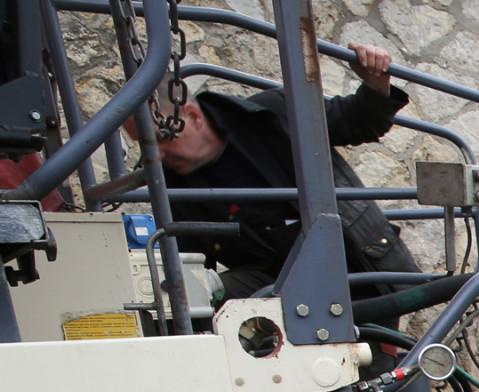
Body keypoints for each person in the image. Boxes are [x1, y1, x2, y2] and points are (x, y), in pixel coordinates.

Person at [123, 44, 416, 299]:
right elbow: (191, 263)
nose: (155, 155)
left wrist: (377, 84)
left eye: (160, 139)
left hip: (352, 262)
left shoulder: (272, 113)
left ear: (193, 116)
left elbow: (357, 122)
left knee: (372, 355)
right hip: (273, 280)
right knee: (194, 295)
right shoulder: (173, 183)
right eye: (144, 147)